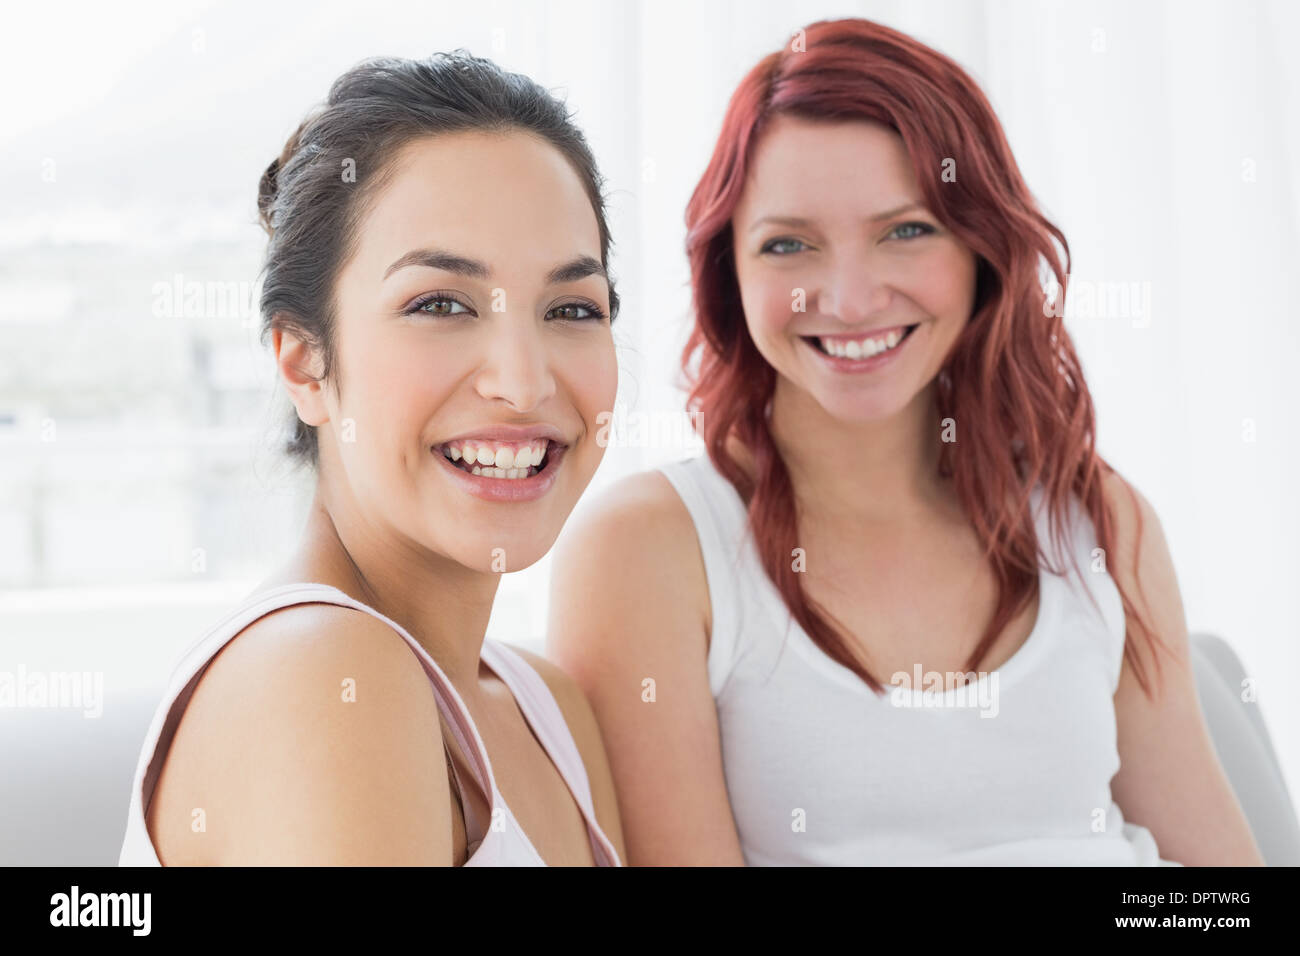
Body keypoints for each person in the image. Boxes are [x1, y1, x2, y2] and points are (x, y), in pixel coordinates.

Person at [546, 18, 1263, 866]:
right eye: (788, 244)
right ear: (728, 274)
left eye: (906, 230)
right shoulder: (649, 549)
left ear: (980, 250)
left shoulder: (1098, 519)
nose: (849, 299)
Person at [120, 51, 625, 866]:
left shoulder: (547, 707)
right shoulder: (323, 674)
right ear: (304, 364)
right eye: (439, 304)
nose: (524, 382)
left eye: (571, 307)